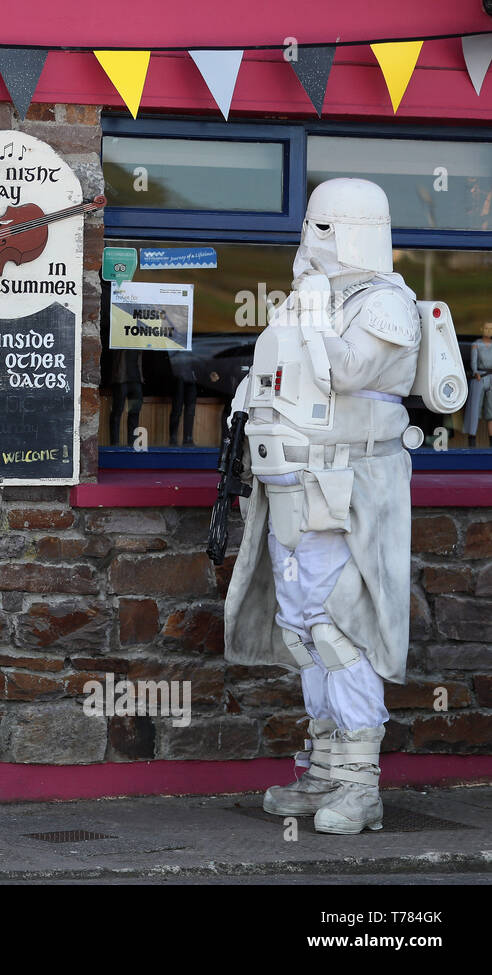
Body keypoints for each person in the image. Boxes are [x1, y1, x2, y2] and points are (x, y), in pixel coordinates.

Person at [223, 178, 420, 835]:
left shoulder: (388, 303)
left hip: (349, 488)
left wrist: (308, 312)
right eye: (311, 227)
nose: (311, 241)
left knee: (341, 626)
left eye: (324, 229)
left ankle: (360, 783)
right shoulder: (312, 299)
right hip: (288, 483)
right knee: (303, 625)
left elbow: (347, 373)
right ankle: (326, 766)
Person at [465, 322, 492, 446]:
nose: (488, 331)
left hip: (491, 377)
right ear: (482, 329)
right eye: (486, 328)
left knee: (491, 411)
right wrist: (476, 372)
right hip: (480, 376)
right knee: (474, 408)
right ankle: (472, 438)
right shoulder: (477, 344)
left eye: (490, 329)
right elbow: (474, 361)